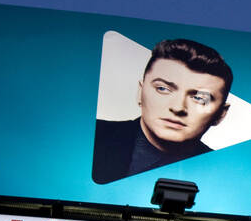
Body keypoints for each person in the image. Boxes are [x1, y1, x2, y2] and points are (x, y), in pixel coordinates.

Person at [93, 38, 233, 183]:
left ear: (221, 114)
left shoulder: (227, 175)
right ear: (140, 92)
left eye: (200, 98)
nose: (178, 108)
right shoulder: (89, 137)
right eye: (163, 89)